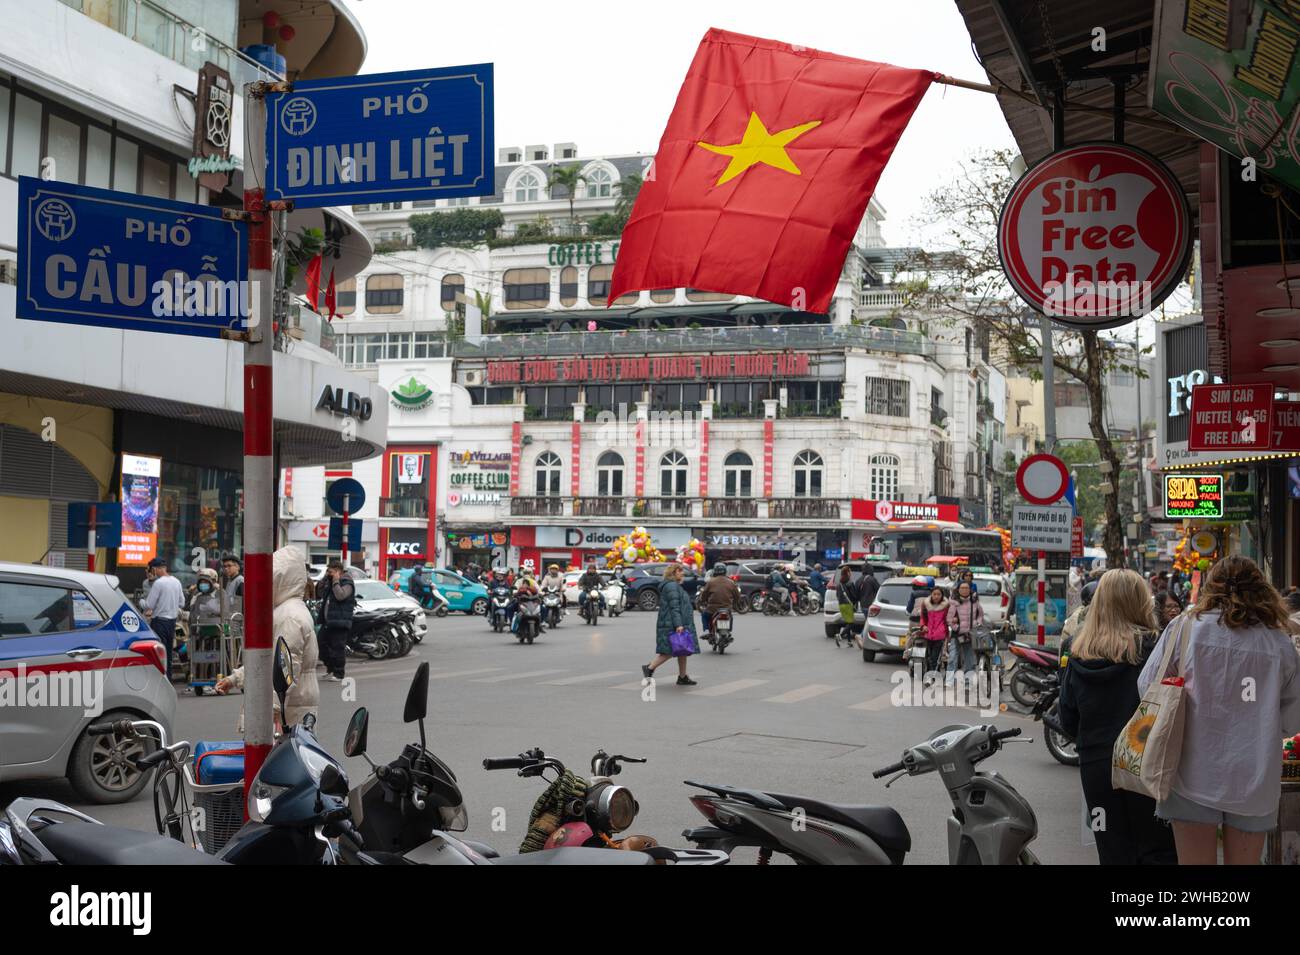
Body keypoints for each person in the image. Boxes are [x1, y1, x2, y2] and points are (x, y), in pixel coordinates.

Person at [1139, 556, 1300, 864]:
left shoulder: (1185, 628)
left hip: (1189, 769)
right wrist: (1260, 725)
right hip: (1254, 776)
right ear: (1261, 590)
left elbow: (1148, 687)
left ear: (1210, 588)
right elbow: (1293, 719)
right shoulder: (1278, 643)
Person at [1057, 569, 1177, 866]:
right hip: (1146, 762)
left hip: (1096, 767)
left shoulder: (1078, 652)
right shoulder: (1155, 647)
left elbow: (1067, 720)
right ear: (1140, 602)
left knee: (1111, 849)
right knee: (1158, 849)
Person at [216, 547, 319, 731]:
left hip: (286, 711)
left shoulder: (289, 617)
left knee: (277, 758)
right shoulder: (287, 611)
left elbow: (286, 669)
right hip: (290, 706)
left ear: (280, 580)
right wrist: (235, 678)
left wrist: (270, 711)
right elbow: (269, 661)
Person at [642, 563, 697, 686]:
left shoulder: (674, 585)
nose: (682, 573)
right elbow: (674, 607)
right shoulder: (672, 586)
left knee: (682, 650)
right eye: (680, 571)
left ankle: (682, 677)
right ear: (673, 573)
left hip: (675, 622)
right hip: (672, 623)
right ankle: (650, 668)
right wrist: (678, 624)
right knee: (669, 651)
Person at [141, 557, 183, 680]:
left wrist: (141, 601)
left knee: (159, 654)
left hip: (159, 622)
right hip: (172, 622)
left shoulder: (158, 583)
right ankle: (168, 679)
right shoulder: (176, 581)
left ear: (155, 569)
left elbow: (149, 605)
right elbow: (182, 602)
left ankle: (160, 679)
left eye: (151, 569)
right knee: (168, 653)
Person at [315, 561, 355, 682]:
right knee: (320, 644)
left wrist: (336, 581)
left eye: (331, 572)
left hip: (340, 621)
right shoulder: (330, 581)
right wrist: (325, 579)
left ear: (338, 571)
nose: (329, 574)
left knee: (337, 647)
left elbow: (340, 596)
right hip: (329, 621)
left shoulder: (347, 582)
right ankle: (330, 668)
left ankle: (339, 673)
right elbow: (320, 593)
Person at [945, 579, 984, 685]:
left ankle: (968, 680)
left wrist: (978, 623)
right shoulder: (954, 602)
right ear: (958, 589)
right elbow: (949, 619)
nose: (964, 590)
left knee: (970, 659)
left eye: (967, 588)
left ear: (970, 589)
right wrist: (956, 628)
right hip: (957, 635)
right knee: (952, 657)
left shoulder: (974, 601)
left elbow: (980, 614)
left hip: (970, 634)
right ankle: (949, 681)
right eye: (962, 588)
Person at [698, 562, 742, 639]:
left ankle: (707, 631)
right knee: (730, 617)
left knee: (704, 615)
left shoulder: (710, 582)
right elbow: (737, 596)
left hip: (712, 609)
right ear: (725, 571)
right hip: (727, 608)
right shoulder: (731, 582)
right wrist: (735, 603)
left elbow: (704, 594)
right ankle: (728, 631)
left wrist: (702, 600)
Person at [913, 586, 950, 675]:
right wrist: (923, 626)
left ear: (942, 596)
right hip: (928, 634)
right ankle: (931, 674)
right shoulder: (925, 604)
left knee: (935, 657)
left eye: (938, 594)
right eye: (934, 594)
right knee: (928, 657)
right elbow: (923, 618)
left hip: (940, 634)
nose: (936, 596)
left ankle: (933, 675)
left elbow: (949, 619)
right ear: (931, 595)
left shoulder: (946, 606)